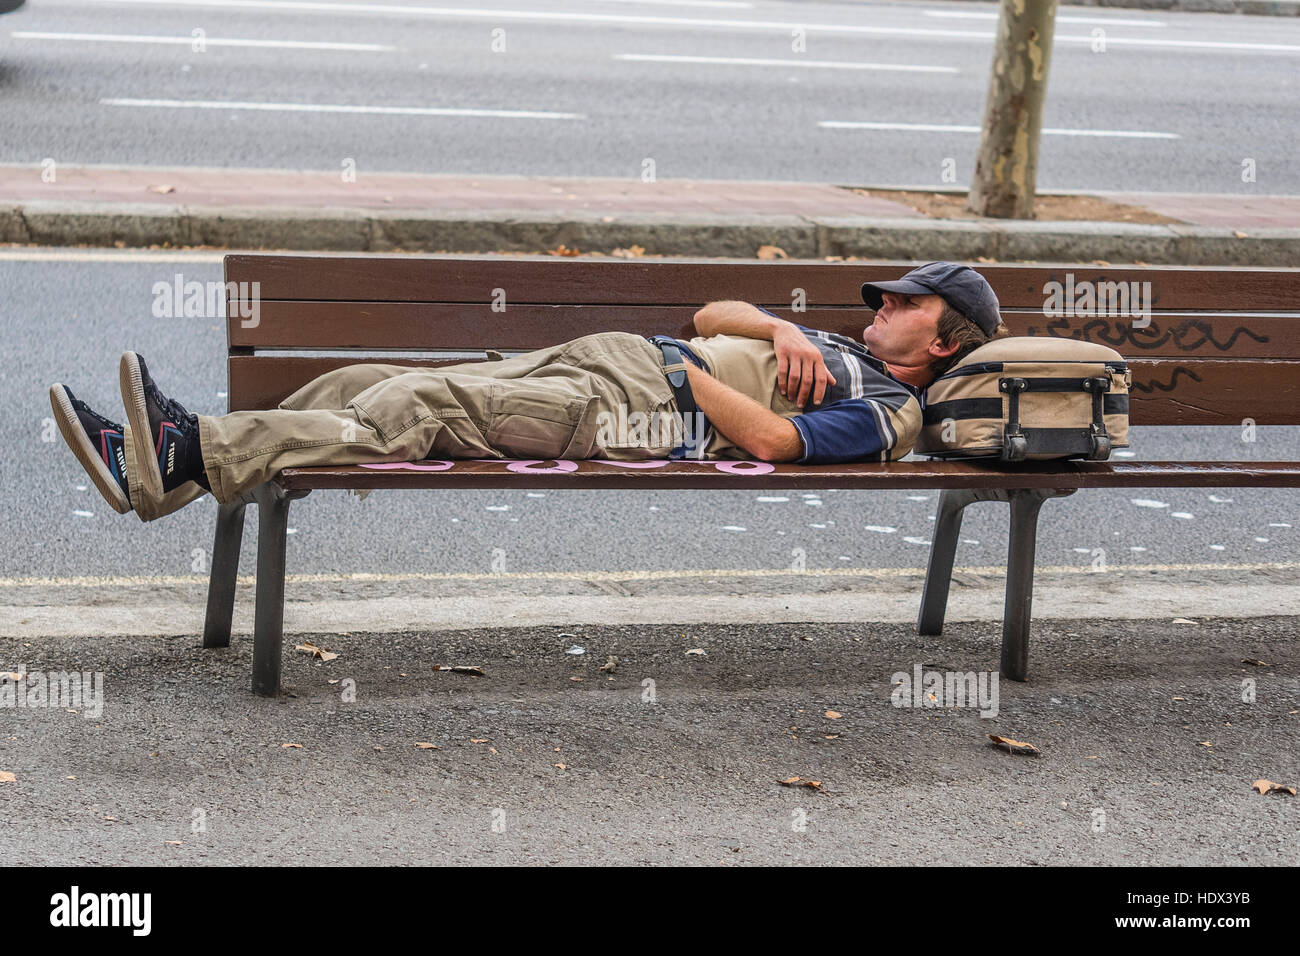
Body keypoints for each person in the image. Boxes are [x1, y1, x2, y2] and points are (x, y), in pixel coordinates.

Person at [49, 261, 1007, 522]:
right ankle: (163, 471)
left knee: (416, 416)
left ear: (947, 335)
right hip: (615, 360)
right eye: (888, 294)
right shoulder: (835, 345)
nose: (887, 302)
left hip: (641, 411)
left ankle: (182, 451)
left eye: (910, 301)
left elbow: (777, 445)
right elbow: (715, 312)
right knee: (367, 380)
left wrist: (687, 376)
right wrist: (782, 327)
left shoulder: (892, 410)